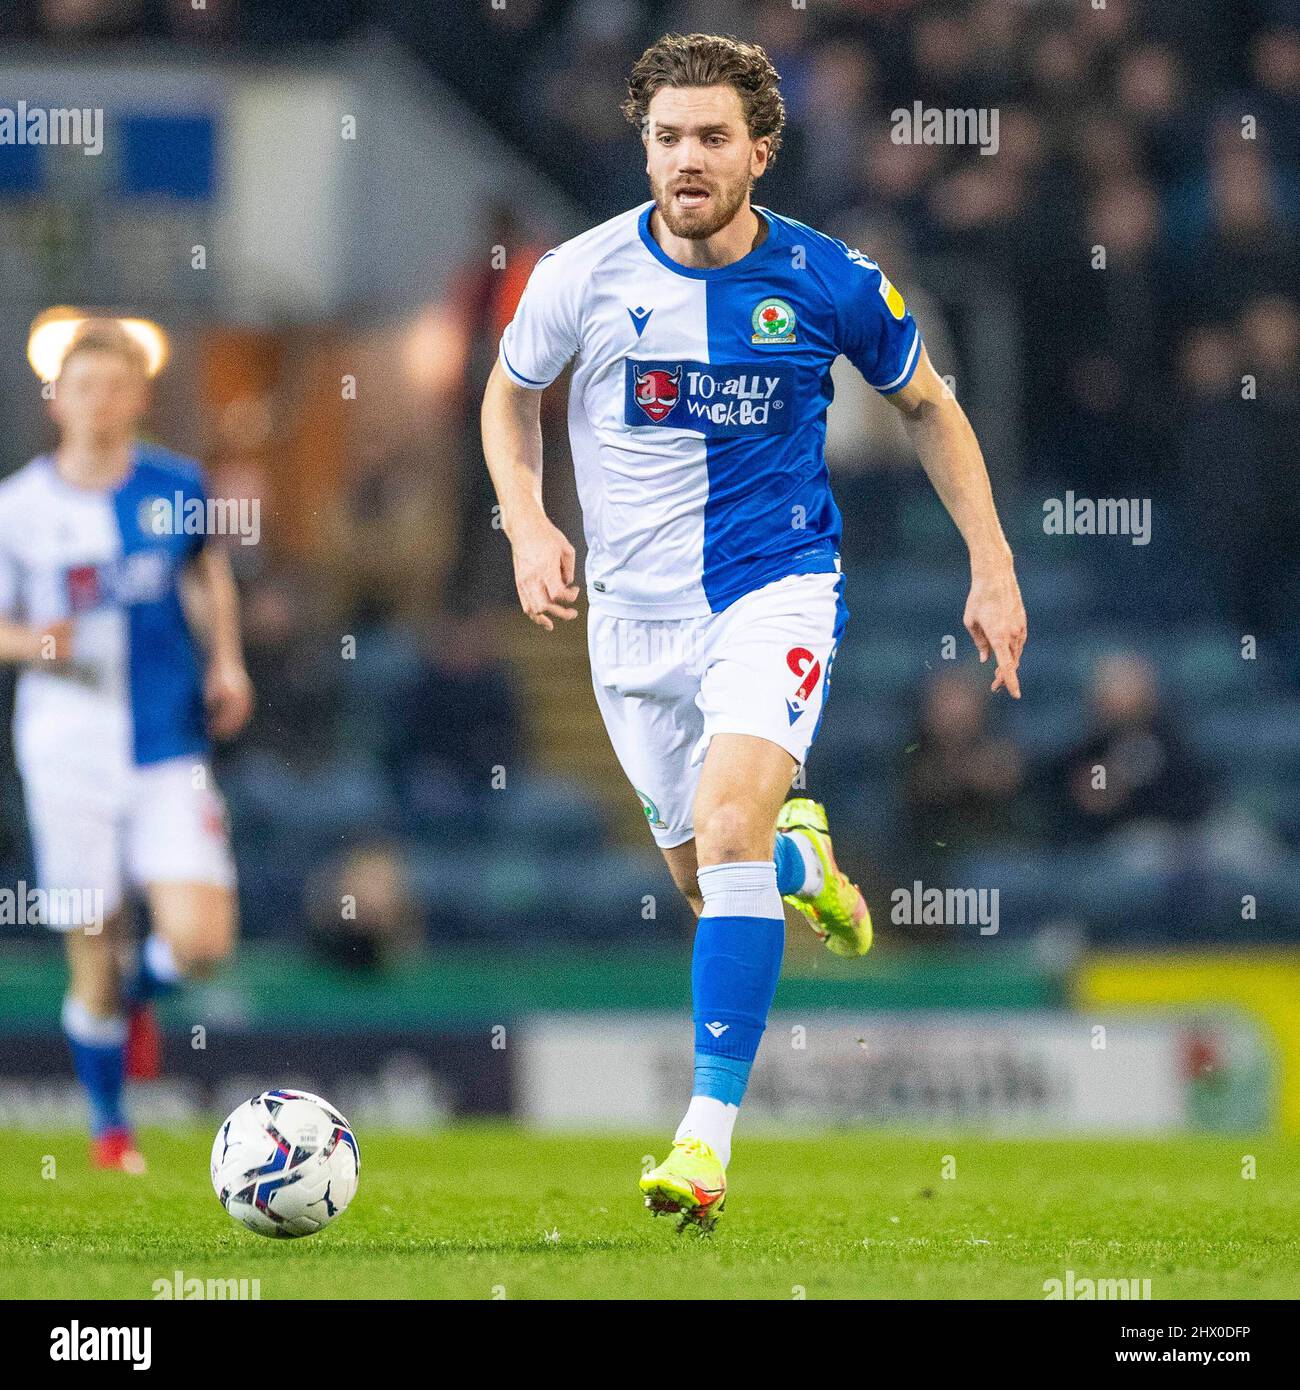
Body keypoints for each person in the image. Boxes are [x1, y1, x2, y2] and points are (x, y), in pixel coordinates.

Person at [480, 33, 1026, 1231]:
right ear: (644, 145)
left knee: (724, 821)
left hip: (770, 590)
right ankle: (795, 861)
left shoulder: (830, 280)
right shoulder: (578, 273)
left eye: (711, 138)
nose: (686, 158)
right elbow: (510, 394)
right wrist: (525, 523)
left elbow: (930, 407)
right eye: (667, 137)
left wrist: (991, 566)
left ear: (759, 152)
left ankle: (702, 1143)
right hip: (629, 623)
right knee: (704, 874)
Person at [0, 322, 253, 1172]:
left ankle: (137, 992)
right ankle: (112, 1131)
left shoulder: (176, 485)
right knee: (91, 942)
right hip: (65, 741)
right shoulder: (19, 507)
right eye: (85, 386)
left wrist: (226, 660)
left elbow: (204, 568)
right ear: (57, 399)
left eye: (117, 387)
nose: (101, 403)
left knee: (201, 940)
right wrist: (39, 643)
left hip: (166, 737)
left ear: (139, 398)